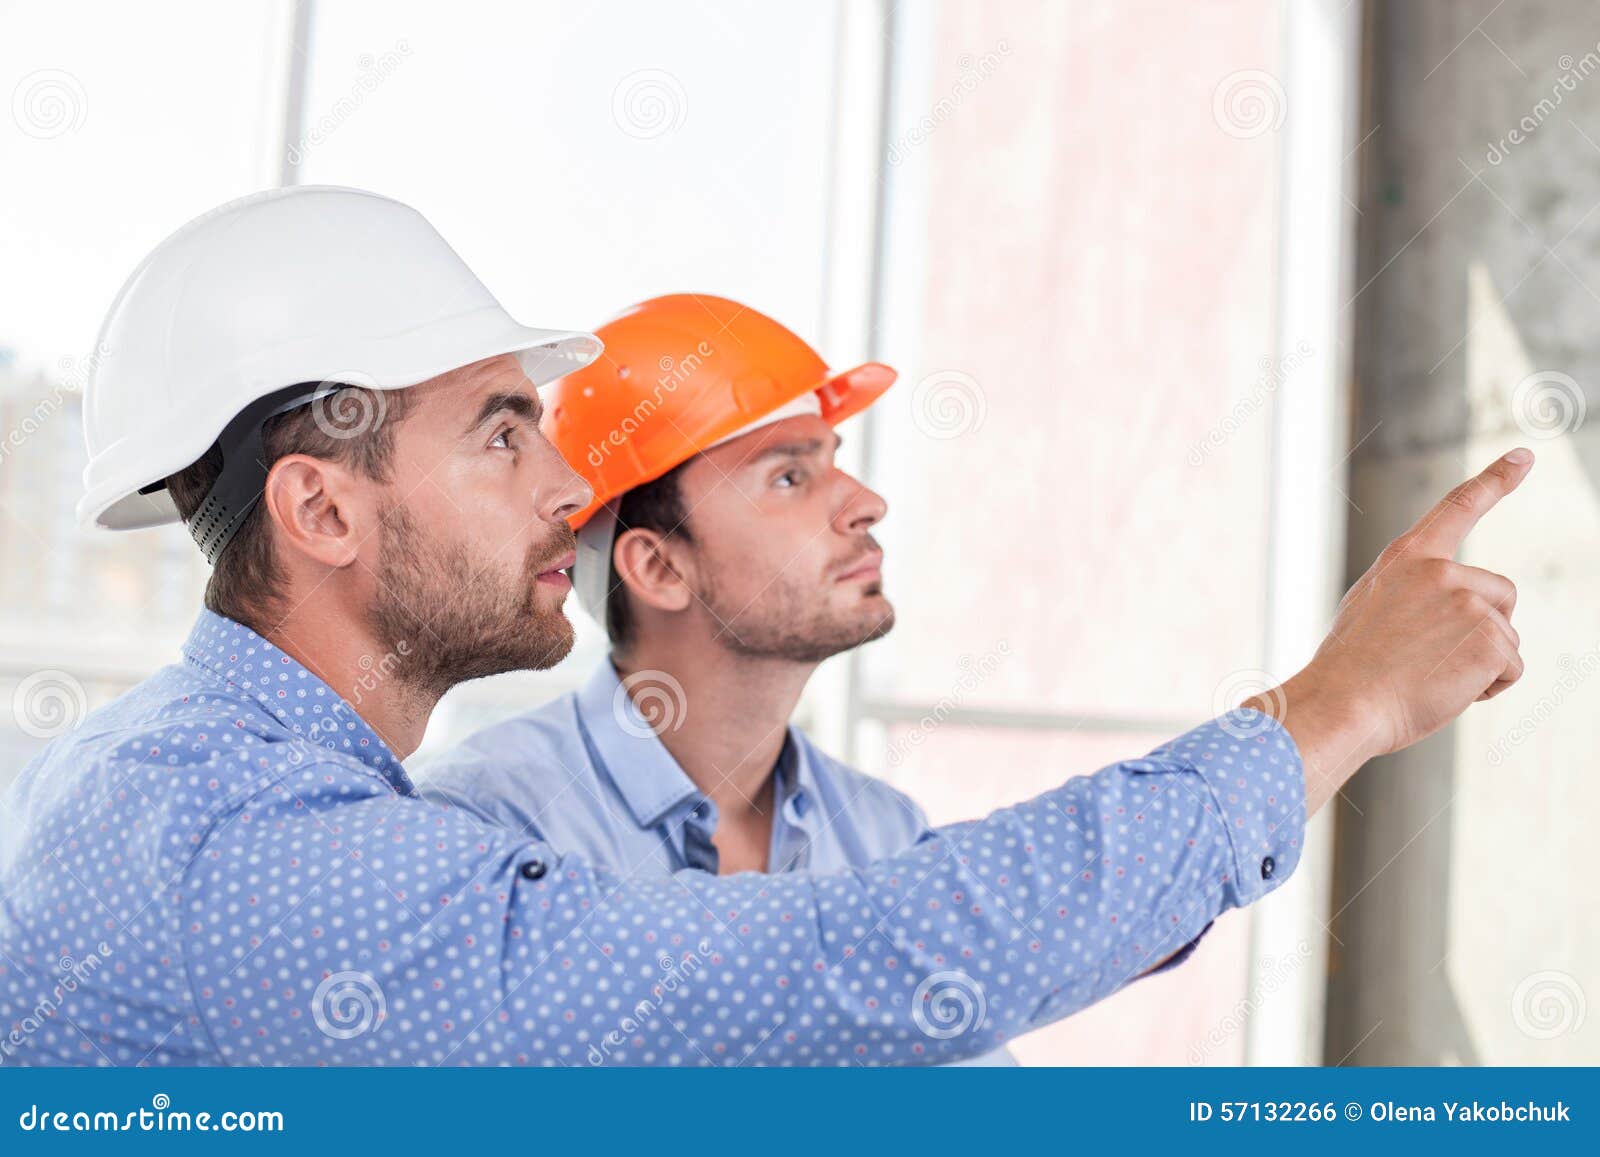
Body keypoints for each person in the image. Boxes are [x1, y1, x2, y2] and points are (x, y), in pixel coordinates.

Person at [0, 186, 1529, 1066]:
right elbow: (846, 963)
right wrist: (1331, 710)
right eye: (501, 435)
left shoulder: (206, 783)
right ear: (323, 511)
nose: (564, 489)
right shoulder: (274, 850)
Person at [417, 294, 1028, 1060]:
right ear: (659, 566)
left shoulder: (884, 834)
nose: (867, 504)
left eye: (833, 461)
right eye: (789, 477)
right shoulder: (485, 829)